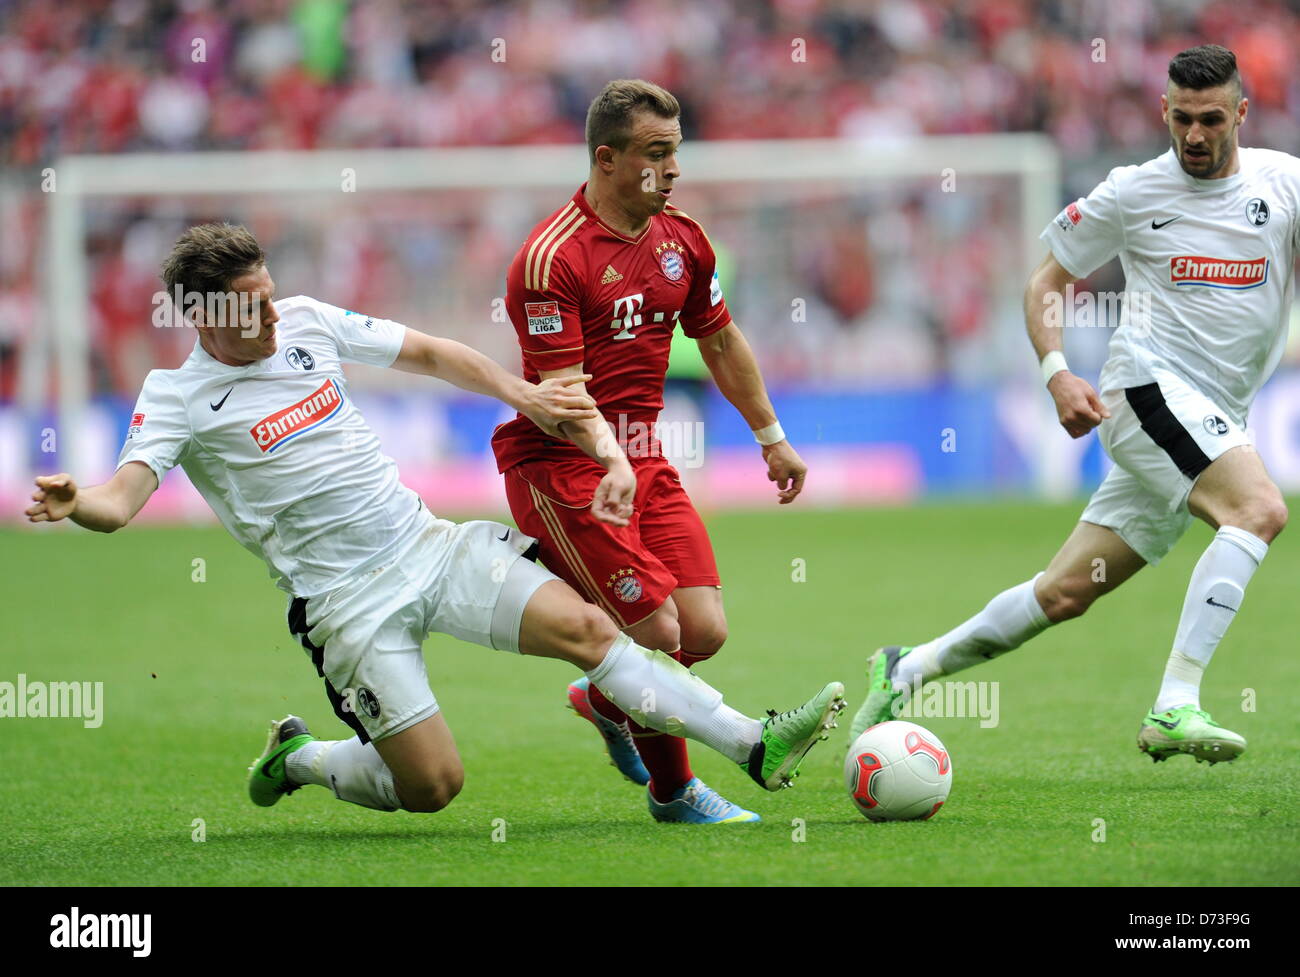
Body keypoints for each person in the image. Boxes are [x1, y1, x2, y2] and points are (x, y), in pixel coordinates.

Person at [25, 222, 844, 816]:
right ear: (202, 317)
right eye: (252, 309)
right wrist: (80, 504)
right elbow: (124, 497)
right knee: (431, 789)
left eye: (270, 295)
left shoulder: (308, 320)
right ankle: (302, 755)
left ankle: (753, 742)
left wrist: (521, 394)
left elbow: (430, 353)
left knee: (592, 630)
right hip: (345, 605)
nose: (273, 316)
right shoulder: (176, 397)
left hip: (427, 543)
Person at [849, 45, 1297, 764]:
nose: (1194, 135)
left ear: (1241, 112)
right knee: (1258, 510)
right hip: (1147, 393)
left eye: (1212, 119)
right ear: (1164, 111)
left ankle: (908, 665)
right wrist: (1056, 371)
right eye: (1182, 118)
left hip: (1214, 415)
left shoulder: (1284, 185)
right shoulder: (1132, 191)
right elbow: (1045, 282)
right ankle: (1175, 703)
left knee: (1063, 593)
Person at [491, 80, 809, 823]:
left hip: (642, 455)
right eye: (655, 154)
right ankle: (674, 791)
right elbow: (563, 392)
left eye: (676, 153)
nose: (672, 170)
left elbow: (721, 339)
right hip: (561, 464)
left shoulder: (684, 239)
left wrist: (773, 437)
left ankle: (608, 694)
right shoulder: (548, 259)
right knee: (656, 632)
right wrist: (611, 457)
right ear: (606, 158)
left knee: (703, 629)